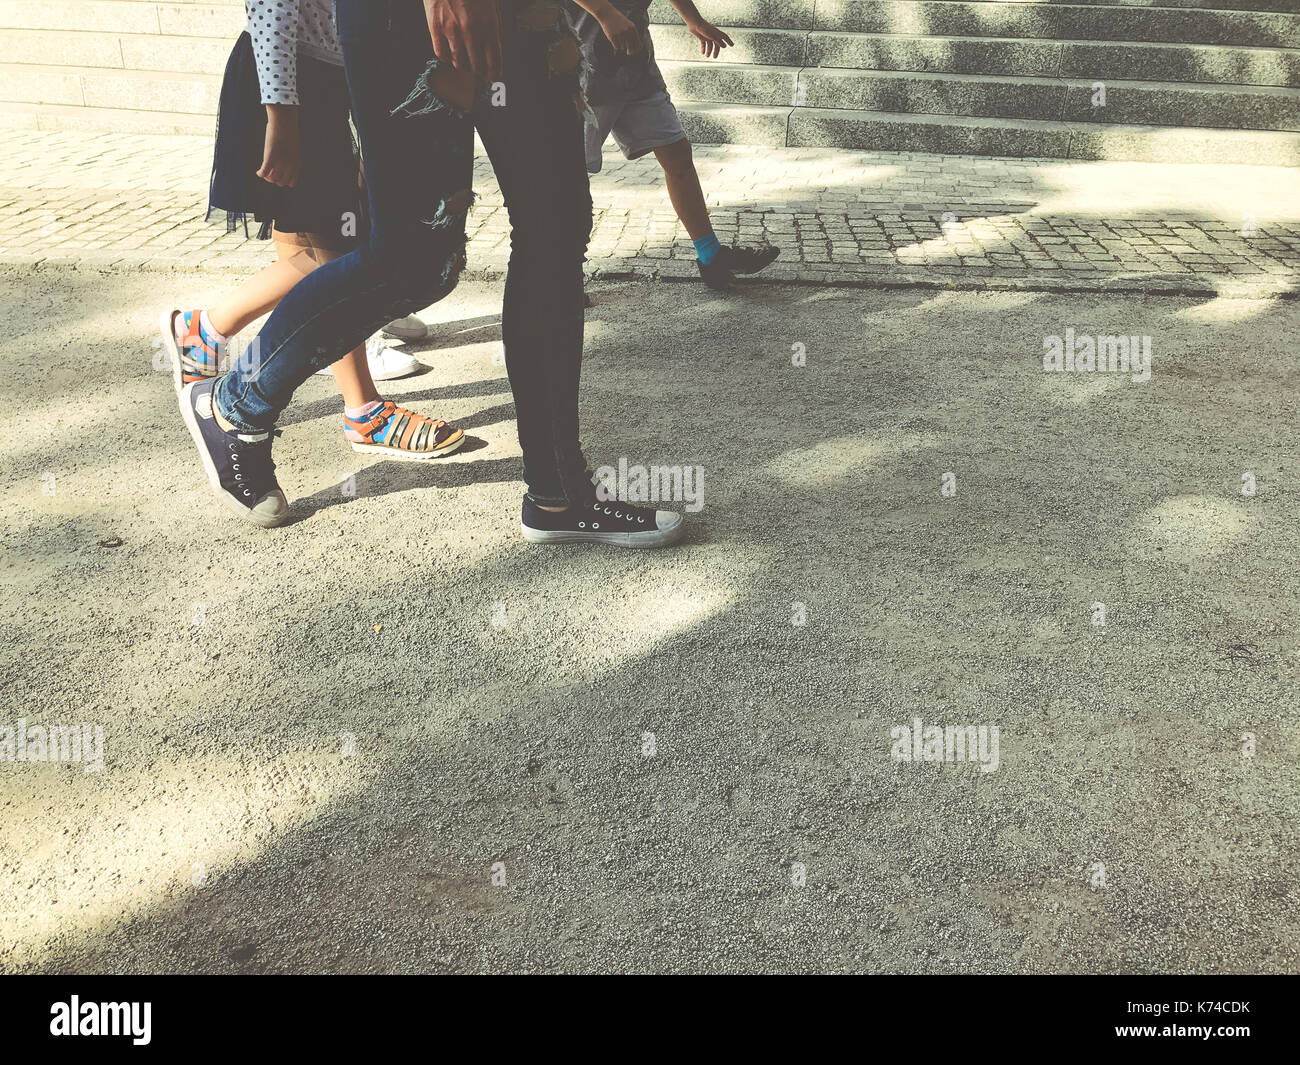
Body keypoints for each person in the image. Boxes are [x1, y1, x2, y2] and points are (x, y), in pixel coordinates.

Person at [172, 0, 685, 548]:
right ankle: (237, 405)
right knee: (417, 261)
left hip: (529, 16)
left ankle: (558, 494)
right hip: (405, 19)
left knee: (556, 227)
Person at [161, 0, 464, 470]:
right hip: (288, 90)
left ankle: (205, 330)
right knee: (341, 255)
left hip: (318, 85)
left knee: (310, 251)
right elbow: (271, 10)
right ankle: (363, 408)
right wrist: (282, 119)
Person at [568, 0, 779, 289]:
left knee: (677, 153)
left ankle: (711, 256)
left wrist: (693, 19)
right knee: (567, 173)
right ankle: (563, 273)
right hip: (585, 68)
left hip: (635, 66)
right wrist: (604, 12)